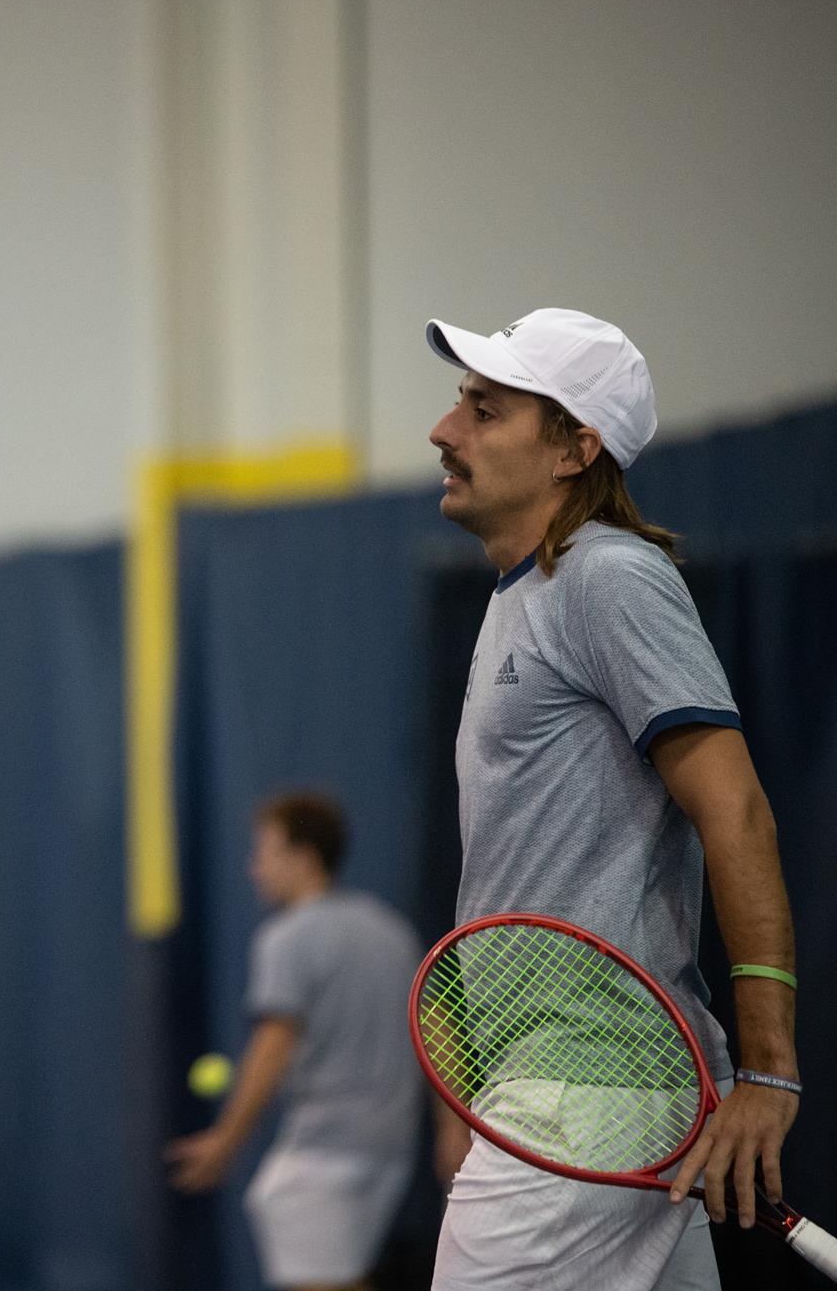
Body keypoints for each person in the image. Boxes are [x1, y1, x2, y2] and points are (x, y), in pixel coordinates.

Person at [423, 307, 798, 1290]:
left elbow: (736, 810)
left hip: (584, 1091)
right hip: (575, 1089)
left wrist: (767, 1070)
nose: (441, 430)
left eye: (482, 408)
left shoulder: (607, 577)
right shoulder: (522, 595)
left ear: (571, 448)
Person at [167, 792, 426, 1291]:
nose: (253, 868)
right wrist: (451, 1130)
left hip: (323, 1150)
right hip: (391, 1149)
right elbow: (434, 1027)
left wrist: (226, 1140)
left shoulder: (284, 938)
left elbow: (273, 1045)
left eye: (264, 851)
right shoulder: (391, 930)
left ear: (303, 857)